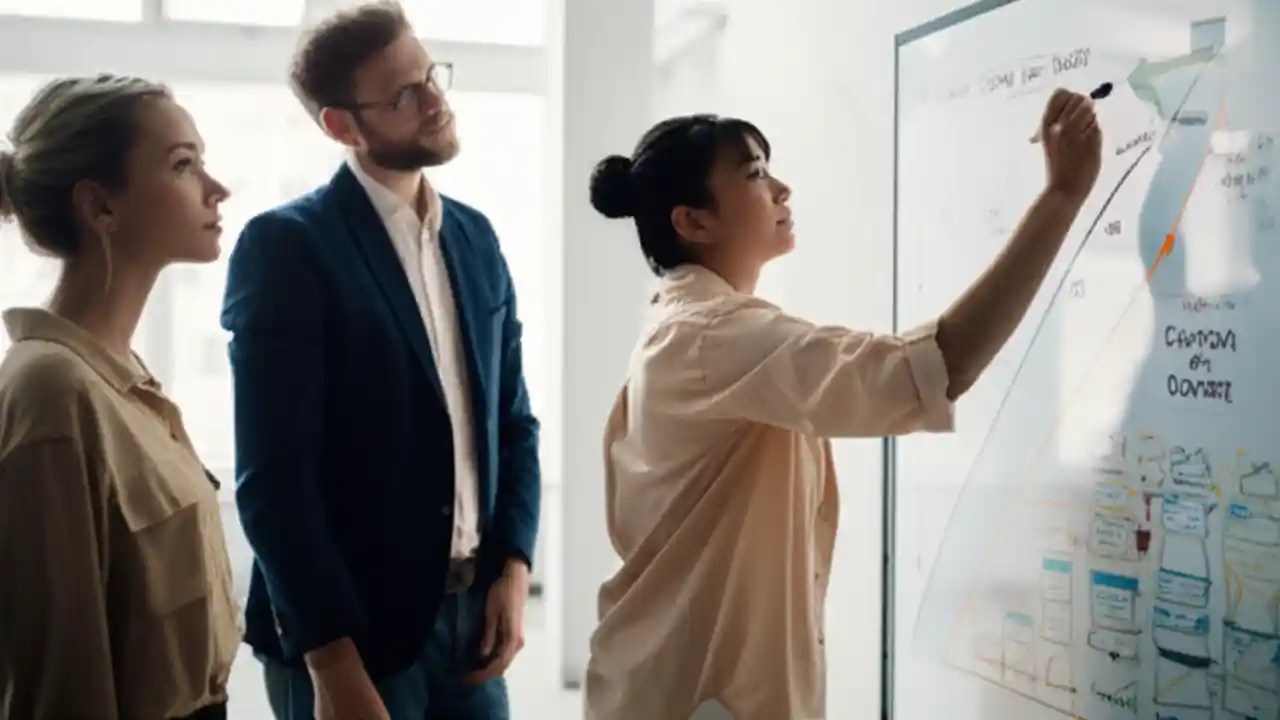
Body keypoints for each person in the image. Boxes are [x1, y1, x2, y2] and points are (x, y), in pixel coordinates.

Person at [583, 88, 1103, 720]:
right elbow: (931, 370)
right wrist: (1062, 197)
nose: (782, 189)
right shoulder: (710, 337)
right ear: (693, 222)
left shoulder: (686, 326)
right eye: (754, 174)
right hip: (691, 690)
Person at [219, 3, 540, 719]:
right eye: (403, 94)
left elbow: (513, 420)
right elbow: (274, 481)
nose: (435, 100)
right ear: (341, 125)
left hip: (473, 624)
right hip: (350, 636)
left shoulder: (477, 238)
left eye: (430, 75)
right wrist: (331, 663)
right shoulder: (287, 248)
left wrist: (513, 569)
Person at [0, 74, 237, 719]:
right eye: (183, 165)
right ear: (100, 207)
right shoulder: (51, 390)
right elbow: (59, 679)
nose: (216, 191)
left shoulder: (122, 375)